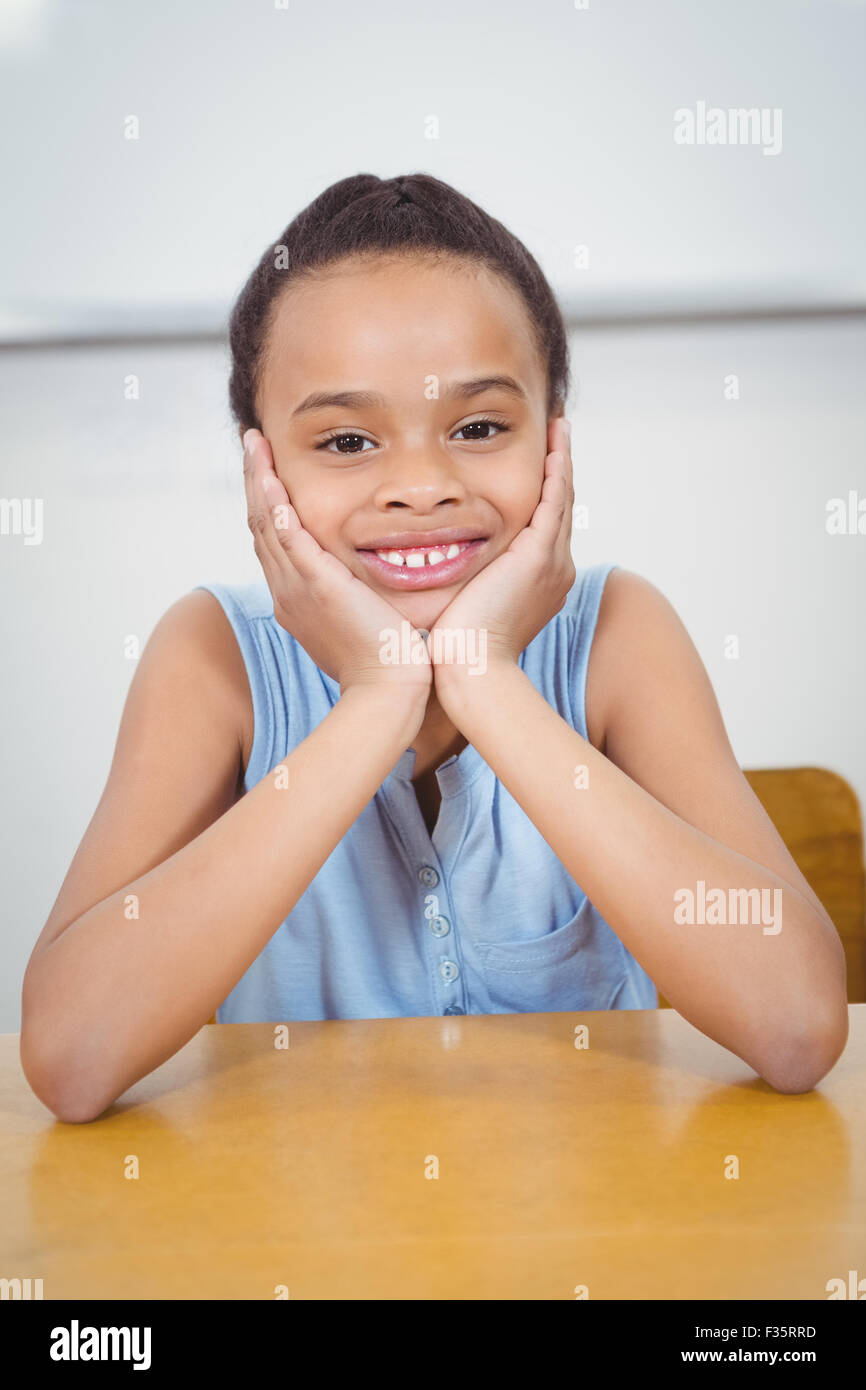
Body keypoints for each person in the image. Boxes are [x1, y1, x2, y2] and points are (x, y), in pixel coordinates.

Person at [20, 173, 848, 1123]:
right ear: (261, 470)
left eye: (480, 426)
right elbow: (73, 1058)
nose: (420, 484)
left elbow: (795, 1022)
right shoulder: (212, 659)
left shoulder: (619, 636)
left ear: (554, 445)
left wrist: (486, 680)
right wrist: (376, 699)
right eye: (344, 441)